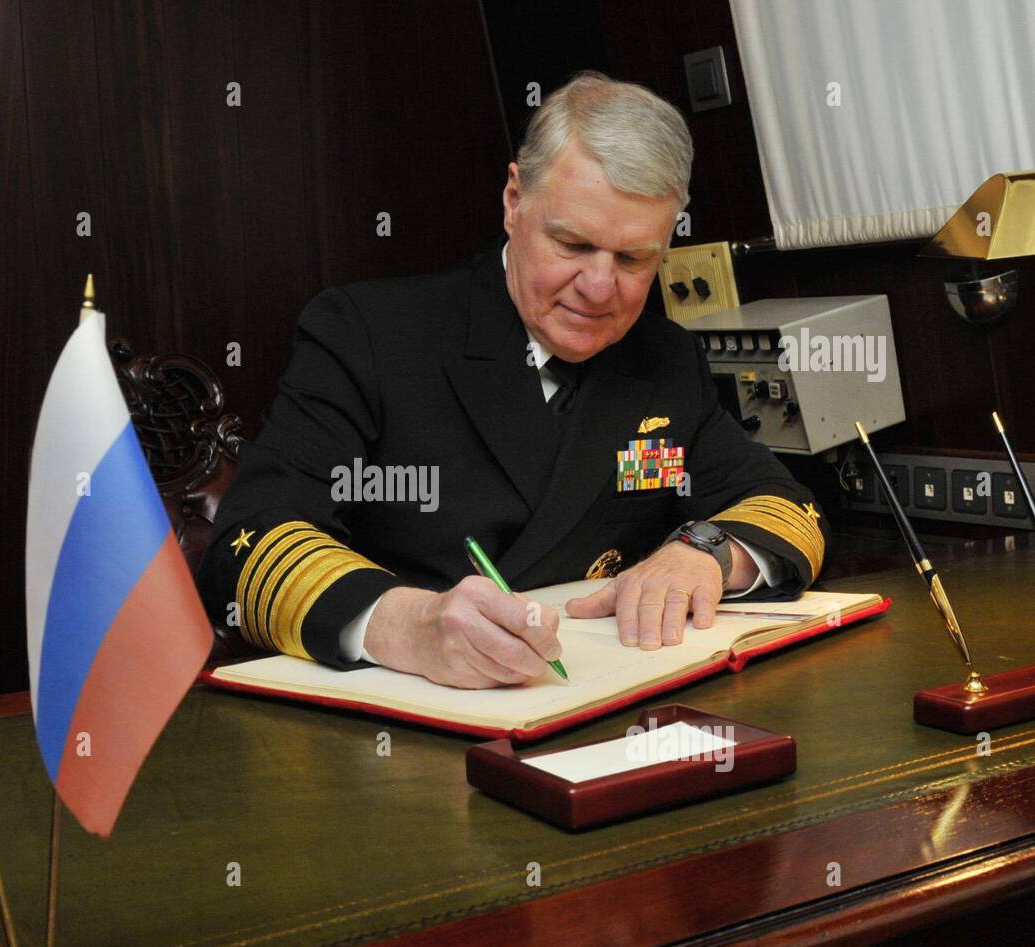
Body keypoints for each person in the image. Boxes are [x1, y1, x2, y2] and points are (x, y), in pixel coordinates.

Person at [199, 71, 830, 689]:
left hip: (605, 703)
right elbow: (248, 545)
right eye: (572, 245)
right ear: (513, 201)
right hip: (412, 712)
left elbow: (785, 504)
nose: (599, 288)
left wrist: (706, 552)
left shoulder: (663, 357)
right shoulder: (368, 333)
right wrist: (407, 625)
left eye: (633, 258)